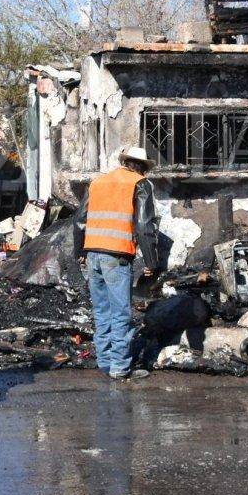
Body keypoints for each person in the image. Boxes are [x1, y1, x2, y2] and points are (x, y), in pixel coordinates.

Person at [73, 146, 162, 380]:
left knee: (102, 311)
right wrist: (151, 261)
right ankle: (120, 367)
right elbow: (144, 225)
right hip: (117, 256)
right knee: (121, 312)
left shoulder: (98, 182)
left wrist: (80, 250)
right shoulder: (140, 184)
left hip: (92, 254)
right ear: (142, 167)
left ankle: (104, 361)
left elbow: (80, 220)